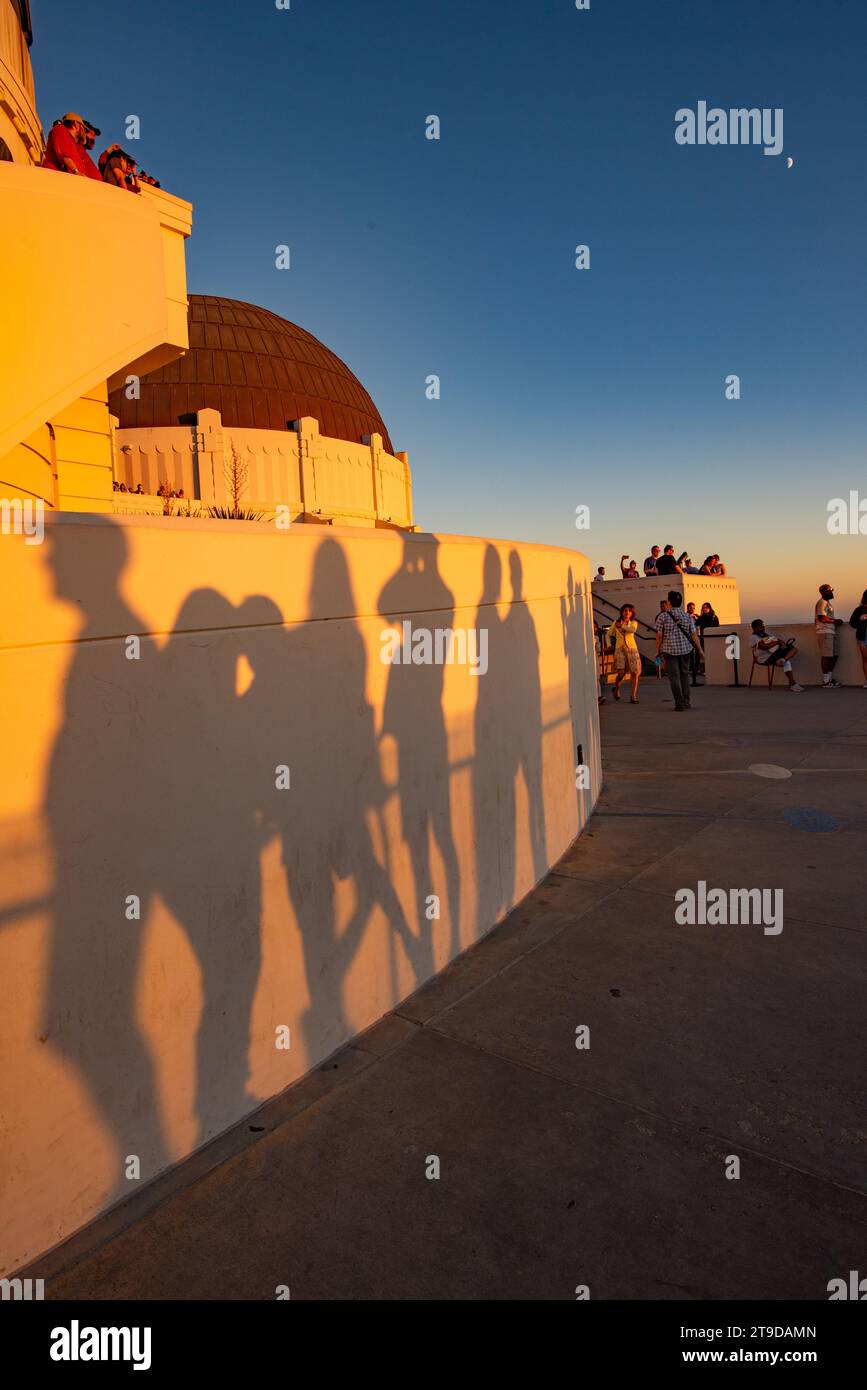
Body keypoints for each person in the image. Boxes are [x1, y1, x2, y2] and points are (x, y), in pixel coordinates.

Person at [655, 590, 703, 711]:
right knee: (685, 675)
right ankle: (686, 701)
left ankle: (679, 703)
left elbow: (659, 636)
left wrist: (657, 651)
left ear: (669, 602)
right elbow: (694, 634)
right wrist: (700, 650)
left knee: (674, 677)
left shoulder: (663, 616)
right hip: (686, 650)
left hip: (669, 650)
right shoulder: (687, 616)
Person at [750, 620, 803, 691]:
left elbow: (779, 641)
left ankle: (782, 660)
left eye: (763, 625)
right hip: (764, 658)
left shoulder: (766, 635)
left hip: (774, 653)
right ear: (756, 628)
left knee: (794, 649)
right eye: (761, 626)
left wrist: (781, 644)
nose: (763, 627)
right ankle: (793, 684)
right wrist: (777, 642)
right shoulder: (753, 637)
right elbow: (764, 646)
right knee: (787, 663)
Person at [612, 604, 642, 704]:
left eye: (629, 611)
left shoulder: (633, 622)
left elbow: (632, 630)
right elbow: (608, 634)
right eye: (625, 610)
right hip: (619, 649)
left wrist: (623, 626)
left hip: (632, 649)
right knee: (621, 672)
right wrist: (608, 644)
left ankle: (633, 696)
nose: (627, 612)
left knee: (635, 672)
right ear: (622, 612)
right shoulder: (616, 622)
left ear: (632, 613)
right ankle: (616, 688)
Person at [815, 583, 842, 687]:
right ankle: (826, 681)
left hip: (830, 632)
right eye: (829, 590)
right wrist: (835, 621)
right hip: (824, 632)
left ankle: (829, 679)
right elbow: (822, 618)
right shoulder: (821, 603)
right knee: (826, 656)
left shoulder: (828, 604)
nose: (831, 592)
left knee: (834, 656)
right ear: (824, 592)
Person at [848, 591, 867, 688]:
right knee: (865, 659)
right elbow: (852, 623)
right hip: (863, 637)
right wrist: (860, 618)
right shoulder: (859, 609)